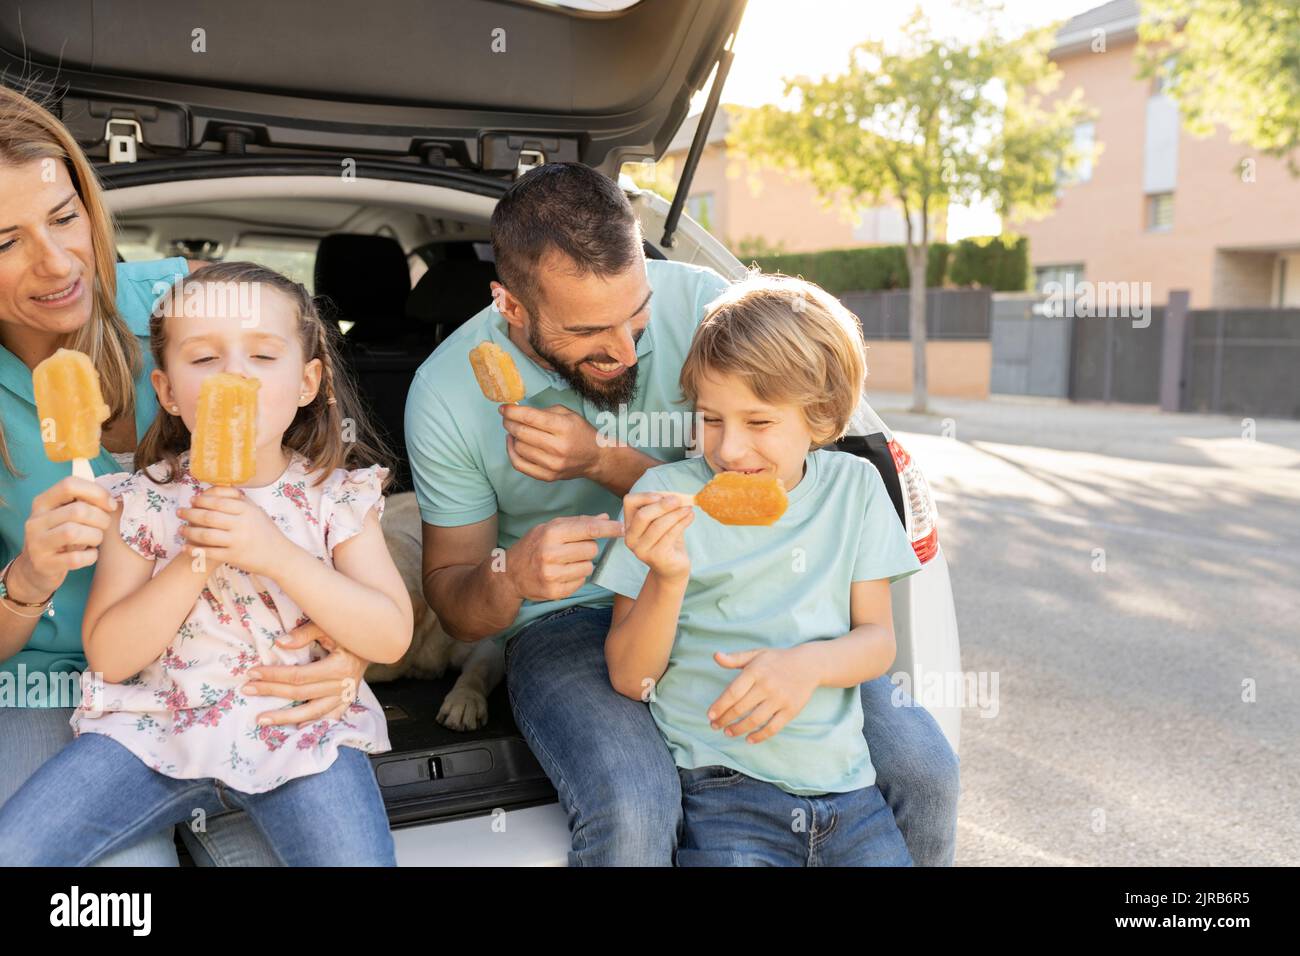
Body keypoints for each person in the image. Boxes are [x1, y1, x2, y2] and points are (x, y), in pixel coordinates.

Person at [406, 161, 960, 866]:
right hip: (568, 619)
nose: (627, 347)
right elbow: (455, 604)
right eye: (589, 331)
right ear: (510, 306)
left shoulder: (705, 308)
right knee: (634, 806)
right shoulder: (446, 393)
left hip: (747, 591)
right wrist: (512, 577)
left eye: (637, 315)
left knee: (925, 771)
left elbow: (783, 477)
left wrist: (601, 461)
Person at [0, 85, 368, 866]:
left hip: (261, 681)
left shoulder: (192, 307)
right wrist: (27, 581)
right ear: (167, 389)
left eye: (66, 219)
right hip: (51, 681)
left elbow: (287, 357)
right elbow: (106, 654)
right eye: (5, 242)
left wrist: (348, 646)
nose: (58, 263)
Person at [595, 274, 918, 865]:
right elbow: (629, 677)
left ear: (819, 416)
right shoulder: (663, 495)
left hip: (848, 788)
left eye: (759, 422)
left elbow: (878, 641)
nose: (729, 450)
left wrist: (809, 666)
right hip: (723, 793)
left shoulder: (856, 489)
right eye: (711, 420)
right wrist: (667, 577)